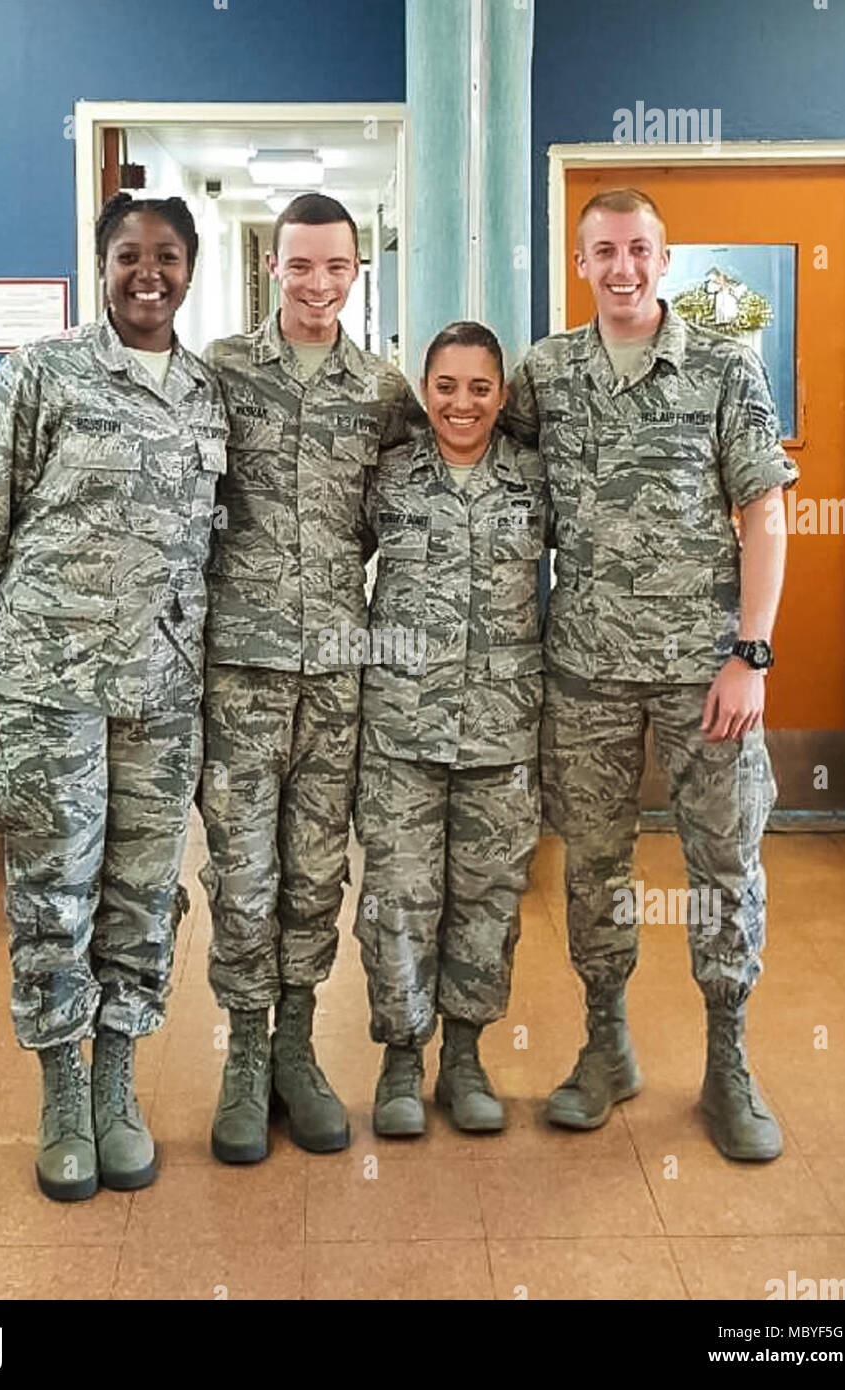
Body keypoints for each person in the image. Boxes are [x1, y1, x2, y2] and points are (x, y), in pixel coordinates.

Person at [0, 192, 226, 1200]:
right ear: (102, 265)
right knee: (54, 894)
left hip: (163, 691)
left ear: (190, 267)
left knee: (141, 895)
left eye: (168, 256)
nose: (150, 273)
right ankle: (59, 1089)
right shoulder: (42, 373)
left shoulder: (206, 392)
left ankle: (117, 1086)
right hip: (51, 686)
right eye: (130, 255)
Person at [503, 187, 799, 1161]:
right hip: (583, 672)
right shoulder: (546, 373)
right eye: (603, 251)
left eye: (638, 249)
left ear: (662, 260)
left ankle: (728, 1064)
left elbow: (764, 514)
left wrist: (750, 653)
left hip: (703, 675)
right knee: (592, 868)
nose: (621, 267)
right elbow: (492, 487)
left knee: (722, 868)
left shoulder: (721, 366)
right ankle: (605, 1046)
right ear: (579, 262)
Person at [199, 193, 424, 1163]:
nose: (319, 284)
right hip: (239, 669)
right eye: (301, 265)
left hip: (338, 671)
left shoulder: (382, 388)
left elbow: (422, 501)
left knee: (315, 874)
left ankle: (298, 1045)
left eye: (336, 267)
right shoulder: (219, 372)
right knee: (243, 877)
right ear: (272, 268)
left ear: (356, 270)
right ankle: (245, 1054)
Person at [355, 321, 546, 1136]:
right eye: (445, 386)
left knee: (488, 901)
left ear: (502, 397)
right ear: (422, 391)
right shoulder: (388, 477)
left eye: (479, 388)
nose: (460, 403)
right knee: (398, 900)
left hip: (504, 732)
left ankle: (465, 1057)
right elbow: (333, 563)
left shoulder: (538, 481)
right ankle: (402, 1059)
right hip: (400, 729)